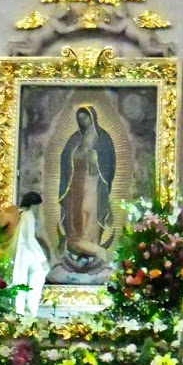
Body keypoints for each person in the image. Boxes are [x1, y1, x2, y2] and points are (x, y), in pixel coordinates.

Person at [56, 105, 116, 268]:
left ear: (93, 117)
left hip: (94, 184)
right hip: (75, 186)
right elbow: (65, 159)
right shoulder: (75, 139)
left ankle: (92, 251)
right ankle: (80, 251)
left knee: (91, 214)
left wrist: (96, 158)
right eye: (80, 119)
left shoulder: (103, 138)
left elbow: (109, 163)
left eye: (86, 118)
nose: (83, 122)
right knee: (76, 218)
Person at [6, 191, 50, 319]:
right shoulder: (28, 214)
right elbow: (30, 239)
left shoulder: (18, 214)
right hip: (27, 253)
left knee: (20, 285)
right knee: (33, 283)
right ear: (34, 205)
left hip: (20, 254)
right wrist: (43, 260)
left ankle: (20, 314)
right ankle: (30, 315)